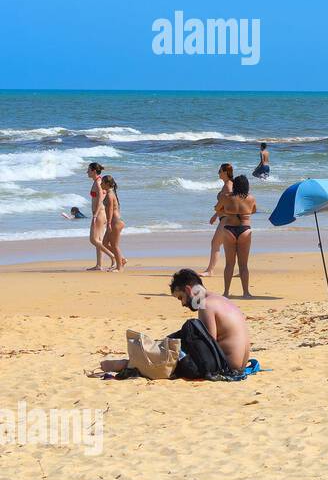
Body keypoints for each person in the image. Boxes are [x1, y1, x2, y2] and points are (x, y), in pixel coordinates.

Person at [95, 269, 251, 381]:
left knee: (190, 328)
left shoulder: (206, 305)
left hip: (227, 367)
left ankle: (126, 364)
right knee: (180, 338)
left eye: (181, 297)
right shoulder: (221, 300)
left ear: (189, 290)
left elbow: (208, 345)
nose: (183, 303)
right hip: (238, 365)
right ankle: (135, 360)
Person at [217, 174, 256, 297]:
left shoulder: (226, 197)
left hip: (229, 229)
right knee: (243, 265)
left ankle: (226, 292)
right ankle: (246, 292)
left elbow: (217, 208)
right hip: (245, 230)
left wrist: (226, 210)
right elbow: (253, 210)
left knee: (229, 264)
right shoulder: (251, 198)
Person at [202, 163, 235, 277]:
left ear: (225, 172)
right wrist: (216, 215)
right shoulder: (228, 184)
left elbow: (228, 202)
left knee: (215, 243)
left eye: (220, 171)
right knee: (228, 245)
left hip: (226, 219)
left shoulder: (228, 186)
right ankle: (241, 269)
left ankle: (210, 270)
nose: (218, 173)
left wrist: (217, 210)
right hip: (225, 218)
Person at [85, 162, 113, 271]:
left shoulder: (98, 183)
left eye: (88, 170)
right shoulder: (97, 181)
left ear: (94, 171)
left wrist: (95, 215)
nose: (87, 172)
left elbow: (100, 199)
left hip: (99, 214)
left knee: (93, 240)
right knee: (99, 240)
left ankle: (113, 256)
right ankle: (99, 265)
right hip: (100, 213)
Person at [100, 175, 127, 272]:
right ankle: (122, 259)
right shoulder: (109, 192)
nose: (101, 184)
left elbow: (110, 209)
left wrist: (109, 224)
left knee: (115, 245)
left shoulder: (110, 194)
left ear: (107, 184)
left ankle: (119, 268)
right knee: (105, 243)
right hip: (114, 221)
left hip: (115, 222)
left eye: (102, 182)